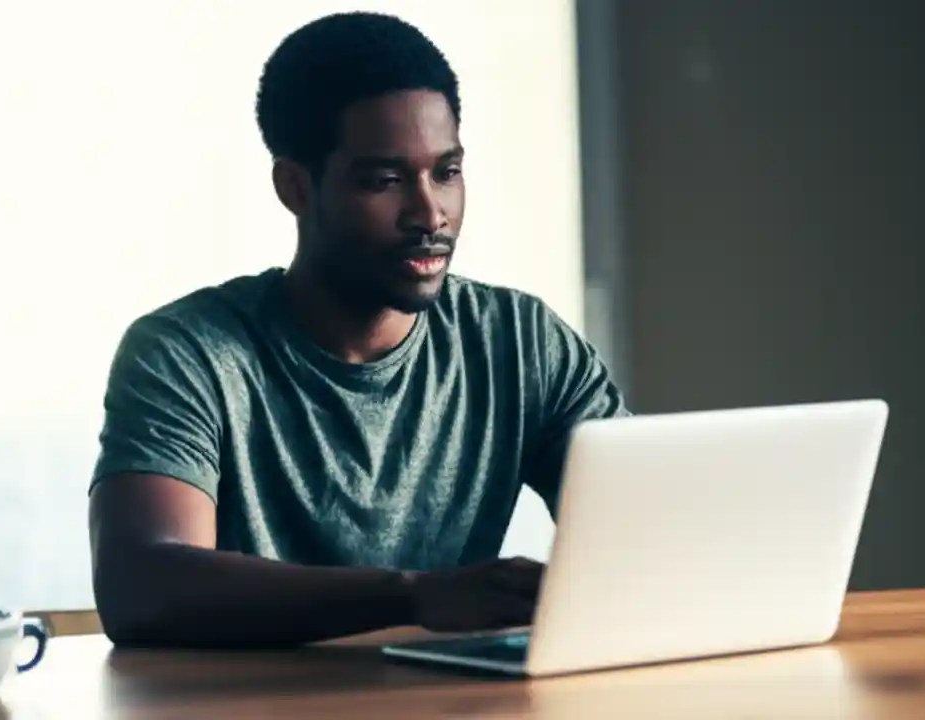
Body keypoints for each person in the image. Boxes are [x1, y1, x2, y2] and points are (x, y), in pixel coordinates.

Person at [88, 11, 627, 648]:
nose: (431, 214)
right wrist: (413, 596)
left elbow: (642, 536)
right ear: (295, 186)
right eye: (385, 180)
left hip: (449, 701)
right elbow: (140, 585)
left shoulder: (521, 342)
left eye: (446, 172)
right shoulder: (189, 354)